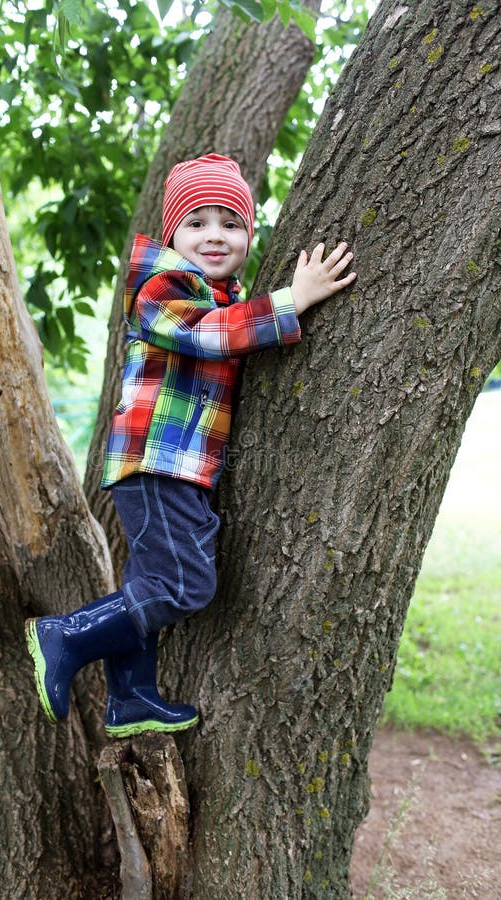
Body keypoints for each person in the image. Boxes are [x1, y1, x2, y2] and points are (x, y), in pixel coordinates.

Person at [25, 153, 356, 738]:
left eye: (231, 223)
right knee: (184, 585)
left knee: (150, 582)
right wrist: (293, 299)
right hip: (158, 462)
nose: (215, 235)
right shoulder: (161, 286)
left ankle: (130, 697)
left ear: (250, 234)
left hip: (181, 467)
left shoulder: (225, 296)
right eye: (198, 221)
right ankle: (65, 636)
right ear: (173, 231)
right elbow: (213, 336)